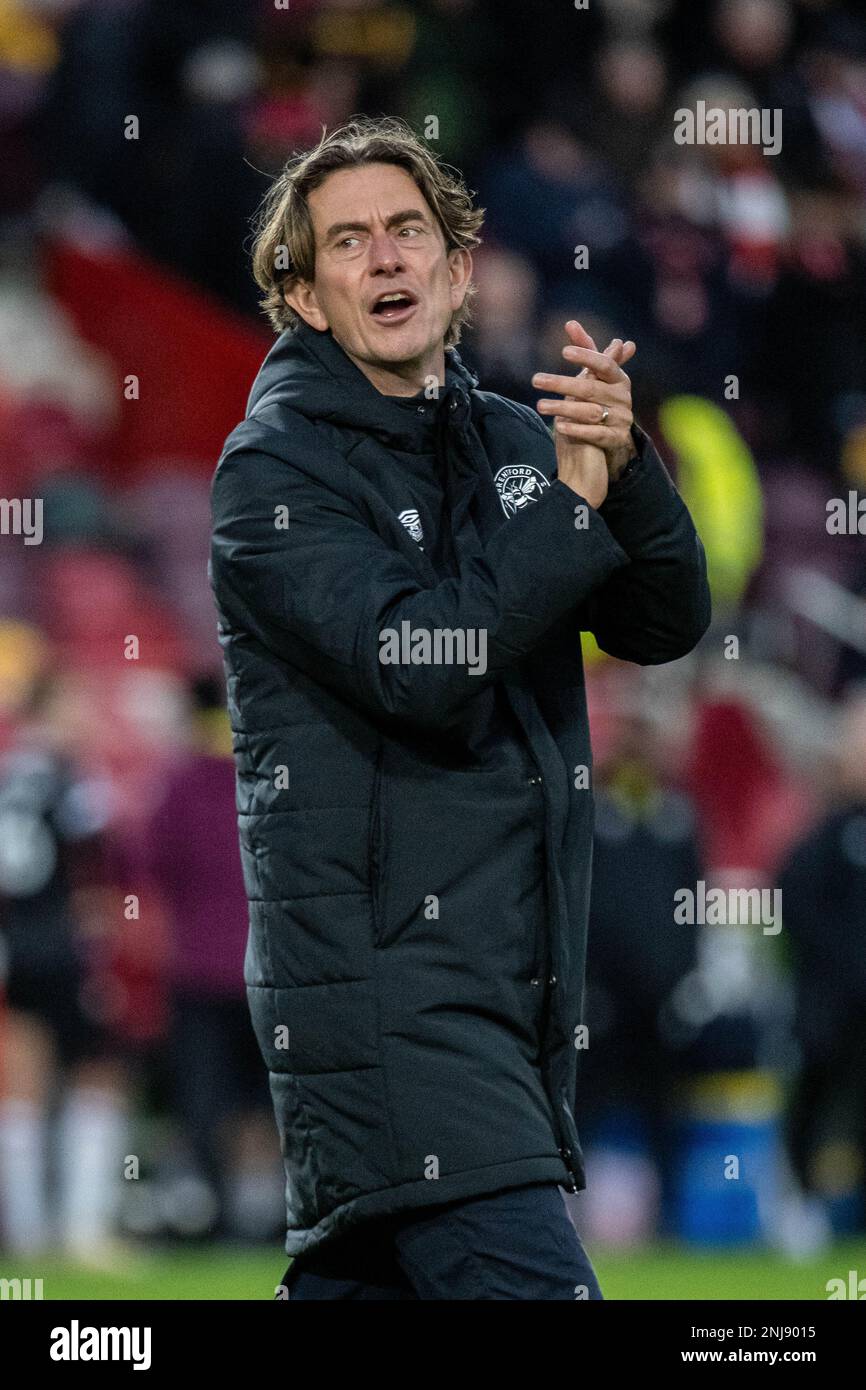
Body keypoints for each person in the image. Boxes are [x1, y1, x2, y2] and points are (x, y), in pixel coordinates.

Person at [208, 115, 711, 1299]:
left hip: (502, 981)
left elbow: (663, 622)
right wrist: (563, 512)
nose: (386, 259)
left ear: (459, 265)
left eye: (407, 231)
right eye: (348, 243)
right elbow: (423, 663)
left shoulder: (504, 439)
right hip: (384, 999)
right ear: (306, 297)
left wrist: (621, 471)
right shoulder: (271, 471)